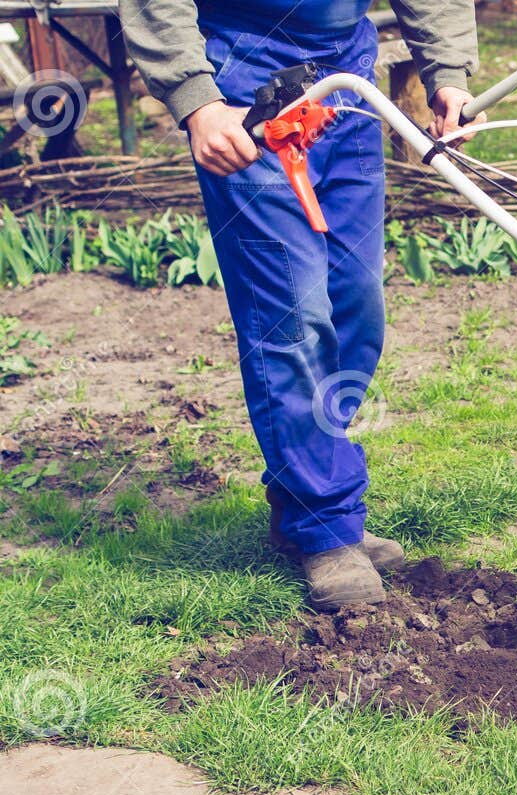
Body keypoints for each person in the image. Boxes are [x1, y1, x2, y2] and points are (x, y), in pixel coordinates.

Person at [117, 0, 481, 609]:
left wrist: (447, 74)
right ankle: (328, 526)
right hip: (243, 81)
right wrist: (197, 101)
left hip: (345, 78)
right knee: (291, 316)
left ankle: (304, 499)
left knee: (353, 305)